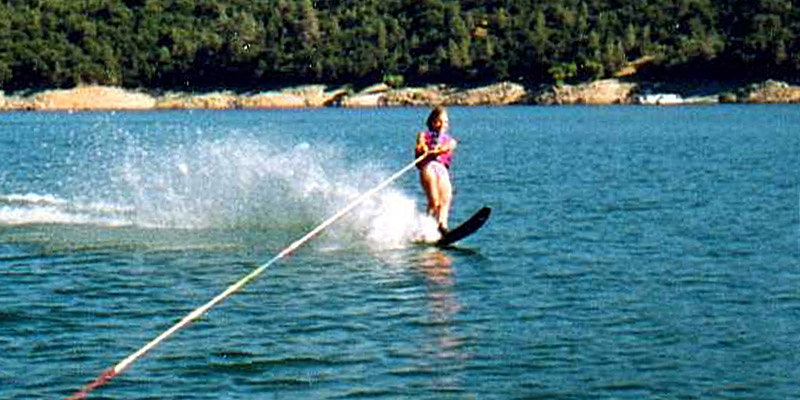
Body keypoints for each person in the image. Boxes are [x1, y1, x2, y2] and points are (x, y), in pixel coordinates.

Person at [415, 106, 457, 235]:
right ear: (432, 122)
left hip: (442, 169)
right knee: (434, 201)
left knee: (446, 199)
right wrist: (424, 149)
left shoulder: (450, 141)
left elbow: (448, 147)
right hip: (428, 167)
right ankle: (425, 229)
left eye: (445, 122)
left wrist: (439, 150)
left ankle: (442, 226)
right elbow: (420, 145)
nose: (442, 125)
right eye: (439, 121)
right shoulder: (423, 135)